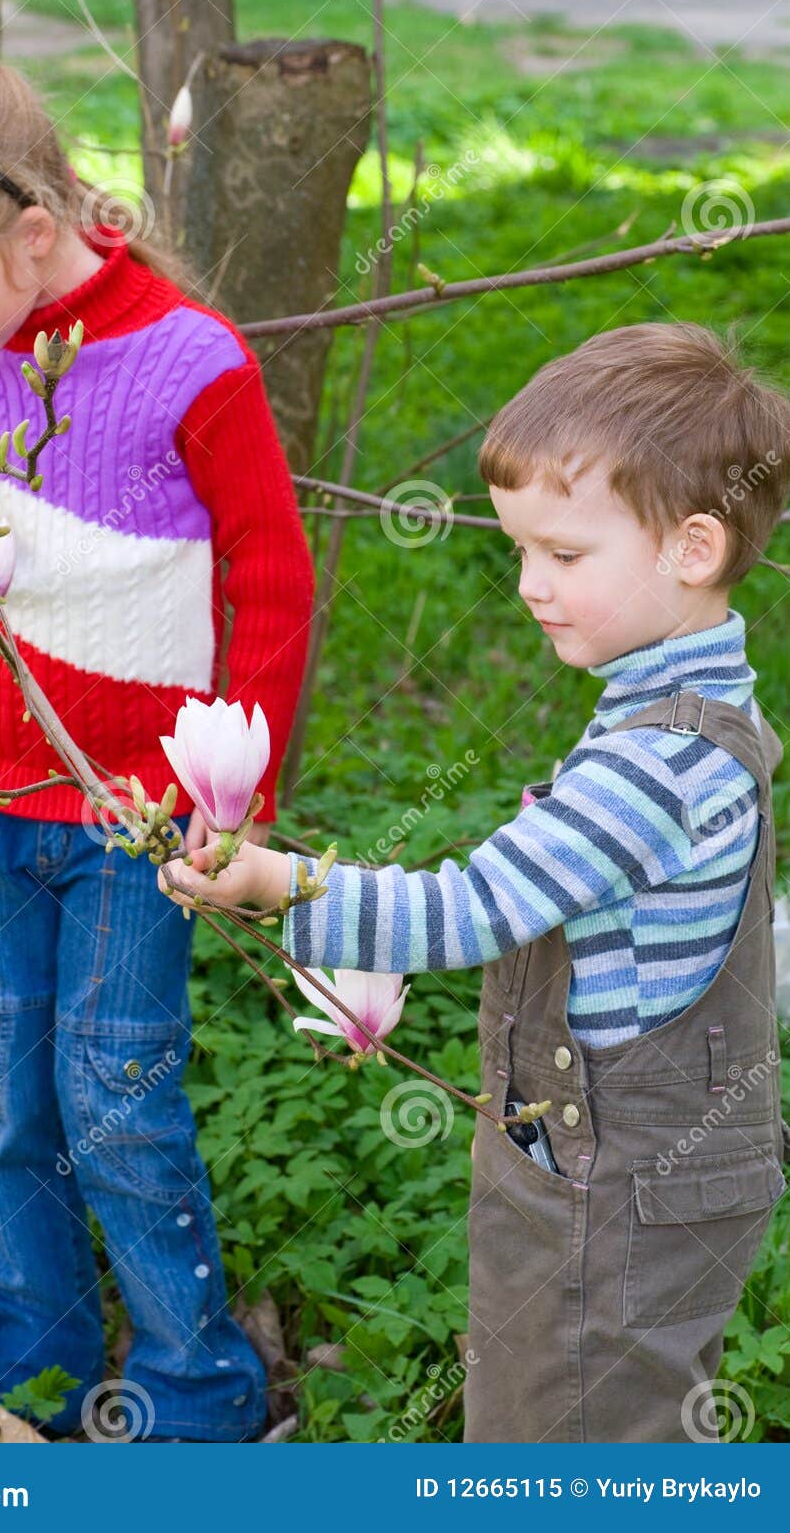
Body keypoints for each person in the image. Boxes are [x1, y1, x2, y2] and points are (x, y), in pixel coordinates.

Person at [161, 321, 790, 1443]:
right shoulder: (699, 711)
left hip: (615, 1195)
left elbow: (466, 911)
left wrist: (277, 883)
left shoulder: (650, 764)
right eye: (518, 551)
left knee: (571, 1436)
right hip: (636, 1177)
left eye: (564, 555)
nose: (528, 587)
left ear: (692, 548)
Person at [0, 52, 315, 1441]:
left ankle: (197, 1394)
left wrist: (232, 791)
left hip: (140, 810)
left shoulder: (191, 361)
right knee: (4, 1088)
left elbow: (268, 581)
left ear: (36, 234)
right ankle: (38, 1374)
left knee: (116, 1096)